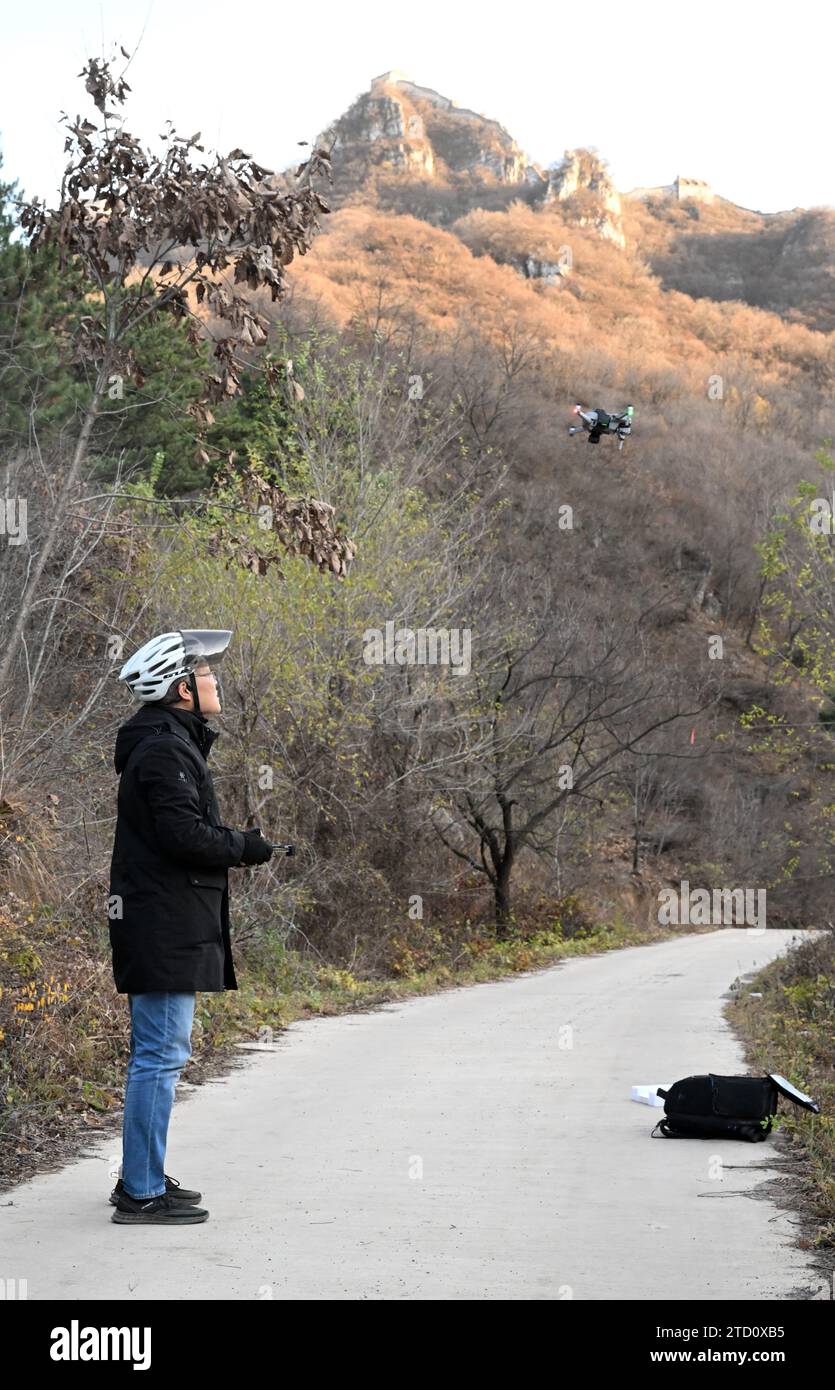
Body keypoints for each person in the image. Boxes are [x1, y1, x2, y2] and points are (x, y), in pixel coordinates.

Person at [108, 629, 273, 1225]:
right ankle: (140, 1193)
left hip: (164, 921)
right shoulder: (163, 750)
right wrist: (246, 847)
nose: (214, 681)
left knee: (160, 1052)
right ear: (182, 689)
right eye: (205, 673)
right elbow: (185, 837)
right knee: (158, 1055)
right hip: (161, 925)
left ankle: (141, 1178)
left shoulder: (167, 743)